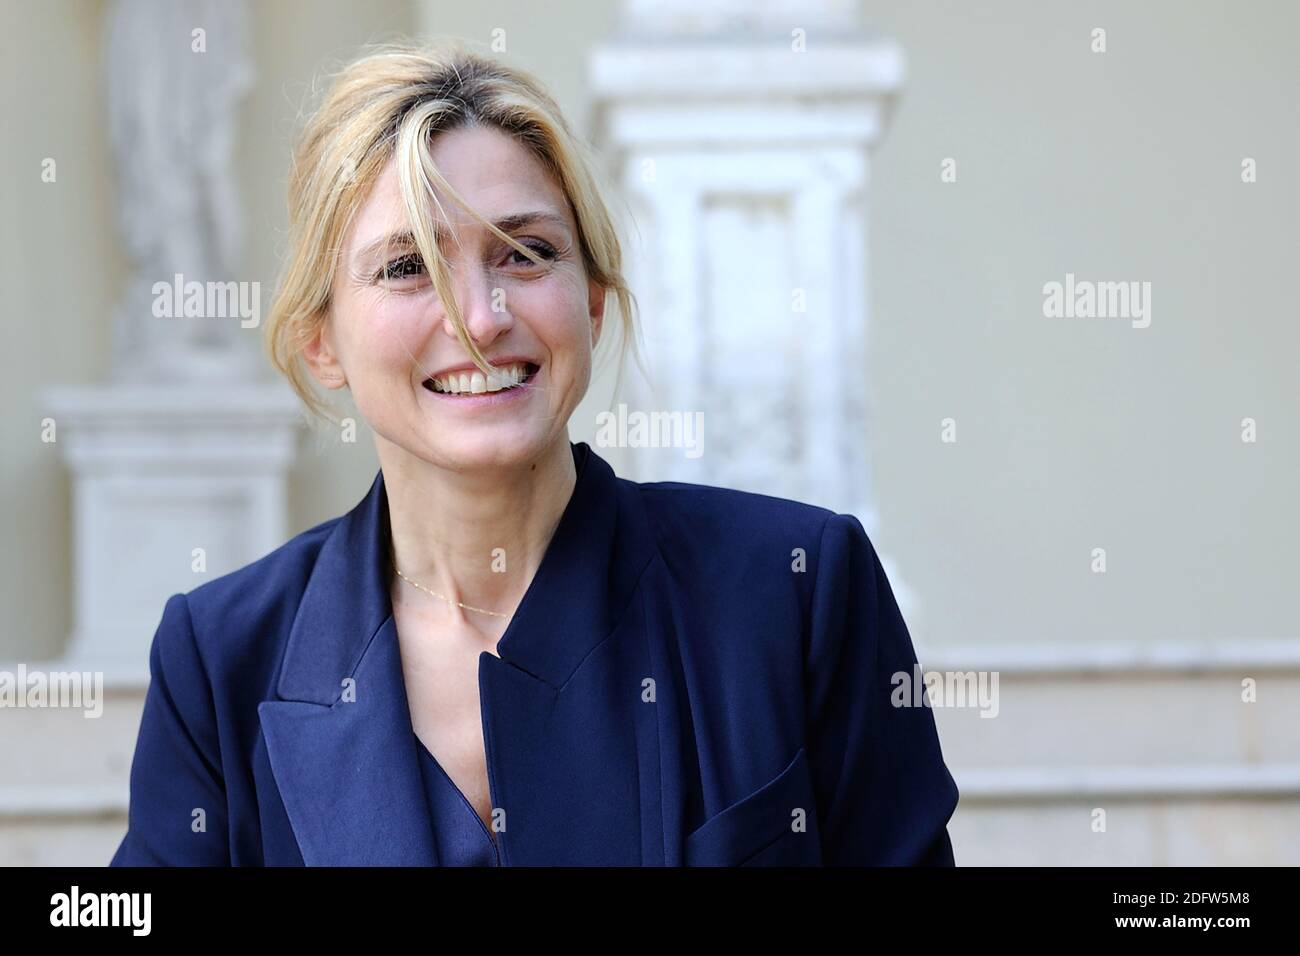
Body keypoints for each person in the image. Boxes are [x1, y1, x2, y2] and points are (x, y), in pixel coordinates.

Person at [110, 39, 958, 866]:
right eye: (407, 266)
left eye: (526, 253)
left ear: (590, 301)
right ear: (319, 340)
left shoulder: (800, 589)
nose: (479, 318)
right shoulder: (219, 660)